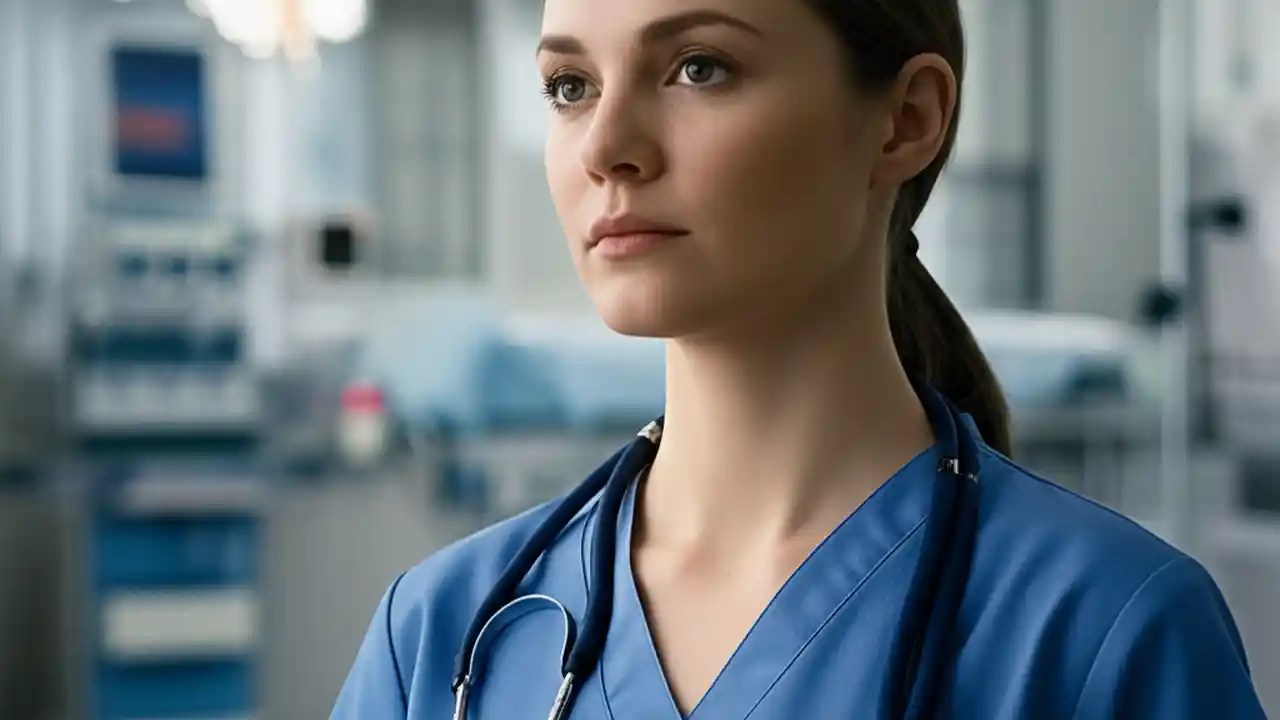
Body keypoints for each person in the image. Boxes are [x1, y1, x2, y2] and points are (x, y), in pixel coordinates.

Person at [332, 0, 1268, 717]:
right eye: (569, 86)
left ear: (905, 119)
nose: (605, 148)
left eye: (699, 67)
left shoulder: (1106, 632)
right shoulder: (444, 634)